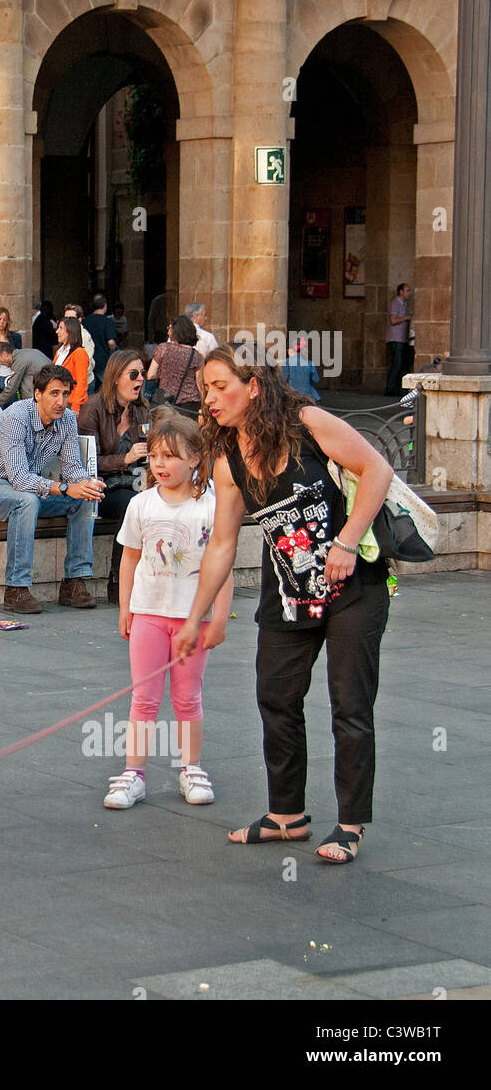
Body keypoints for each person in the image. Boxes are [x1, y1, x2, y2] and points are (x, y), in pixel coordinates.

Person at [174, 346, 393, 865]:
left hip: (354, 585)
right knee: (275, 696)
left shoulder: (306, 423)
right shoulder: (228, 460)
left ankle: (350, 824)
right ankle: (287, 814)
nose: (211, 398)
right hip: (289, 594)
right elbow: (222, 545)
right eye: (205, 389)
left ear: (252, 386)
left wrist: (345, 540)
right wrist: (196, 617)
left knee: (350, 708)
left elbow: (377, 470)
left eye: (221, 386)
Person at [105, 411, 233, 810]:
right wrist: (126, 608)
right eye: (156, 456)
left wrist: (220, 619)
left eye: (171, 456)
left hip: (193, 619)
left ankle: (191, 768)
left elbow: (224, 568)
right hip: (148, 613)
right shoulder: (141, 505)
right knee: (143, 697)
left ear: (195, 458)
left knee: (187, 697)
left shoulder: (211, 506)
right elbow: (129, 559)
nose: (160, 464)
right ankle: (133, 774)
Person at [0, 363, 105, 613]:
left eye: (65, 394)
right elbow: (19, 478)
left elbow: (72, 468)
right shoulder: (16, 417)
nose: (61, 401)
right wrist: (63, 487)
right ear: (37, 394)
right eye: (54, 393)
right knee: (26, 500)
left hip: (25, 488)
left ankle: (74, 582)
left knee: (83, 497)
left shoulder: (68, 419)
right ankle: (16, 589)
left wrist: (85, 484)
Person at [78, 349, 151, 603]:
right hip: (101, 486)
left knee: (153, 502)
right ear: (116, 377)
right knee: (132, 505)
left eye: (142, 374)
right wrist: (125, 458)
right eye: (133, 374)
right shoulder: (93, 408)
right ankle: (118, 581)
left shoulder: (141, 409)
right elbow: (87, 462)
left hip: (134, 482)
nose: (140, 380)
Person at [148, 315, 203, 417]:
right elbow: (199, 384)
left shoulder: (163, 349)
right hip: (189, 404)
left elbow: (150, 375)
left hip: (166, 401)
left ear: (175, 331)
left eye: (169, 328)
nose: (168, 331)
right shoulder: (196, 355)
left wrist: (165, 372)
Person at [0, 341, 52, 409]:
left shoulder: (19, 361)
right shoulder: (25, 353)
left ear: (5, 354)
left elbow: (12, 387)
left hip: (39, 401)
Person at [52, 316, 91, 413]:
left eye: (61, 328)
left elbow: (82, 382)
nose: (57, 331)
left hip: (70, 403)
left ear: (70, 331)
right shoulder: (59, 352)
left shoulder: (79, 353)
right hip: (58, 401)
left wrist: (76, 407)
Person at [384, 282, 414, 397]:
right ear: (401, 291)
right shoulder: (395, 303)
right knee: (396, 364)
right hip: (395, 338)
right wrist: (407, 317)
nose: (409, 293)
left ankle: (396, 388)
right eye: (407, 290)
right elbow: (393, 320)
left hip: (402, 339)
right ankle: (390, 389)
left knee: (400, 364)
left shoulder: (404, 305)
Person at [85, 293, 118, 388]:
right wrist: (114, 350)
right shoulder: (107, 322)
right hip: (103, 360)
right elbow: (111, 342)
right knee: (108, 388)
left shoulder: (85, 321)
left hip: (89, 360)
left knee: (90, 391)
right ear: (105, 305)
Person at [281, 336, 321, 401]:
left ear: (291, 350)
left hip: (292, 396)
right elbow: (316, 380)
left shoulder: (287, 362)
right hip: (308, 396)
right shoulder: (309, 363)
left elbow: (283, 380)